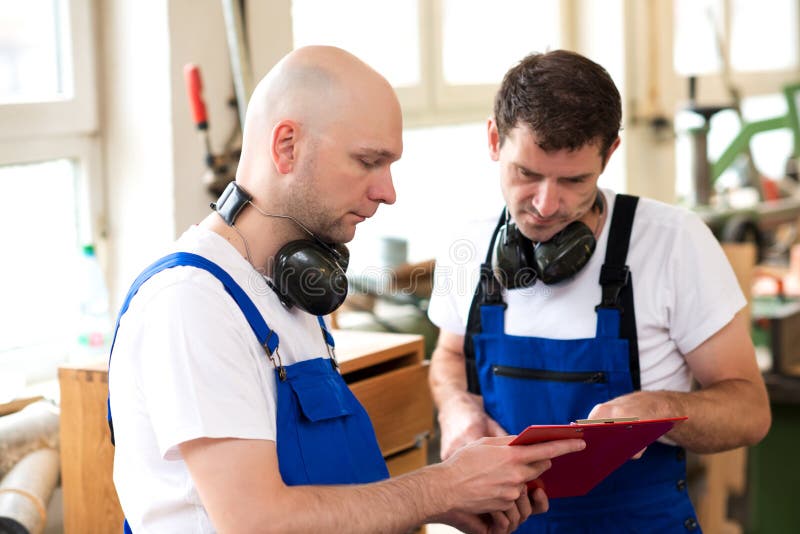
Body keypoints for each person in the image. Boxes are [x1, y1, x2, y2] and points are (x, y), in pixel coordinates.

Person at [106, 46, 586, 534]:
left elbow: (322, 495)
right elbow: (258, 523)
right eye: (368, 161)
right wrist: (443, 486)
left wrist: (440, 503)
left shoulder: (292, 293)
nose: (387, 191)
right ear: (287, 146)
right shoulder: (193, 302)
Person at [427, 49, 771, 533]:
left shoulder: (673, 242)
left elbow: (750, 412)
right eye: (527, 174)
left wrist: (663, 409)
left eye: (573, 181)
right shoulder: (469, 242)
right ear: (492, 140)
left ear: (610, 154)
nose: (546, 205)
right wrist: (456, 409)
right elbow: (448, 357)